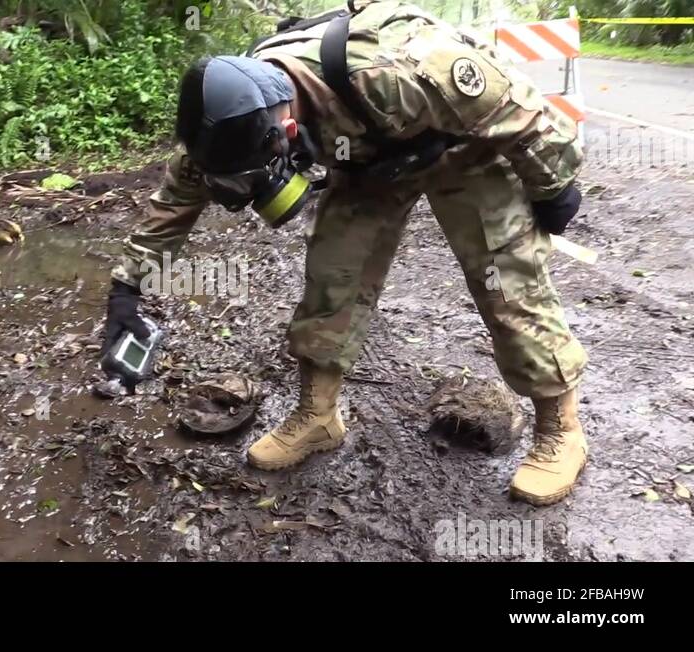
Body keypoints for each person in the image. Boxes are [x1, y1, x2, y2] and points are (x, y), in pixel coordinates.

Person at [102, 0, 588, 506]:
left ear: (285, 126)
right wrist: (125, 292)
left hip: (465, 150)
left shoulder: (397, 68)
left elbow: (520, 109)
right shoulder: (221, 125)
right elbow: (173, 205)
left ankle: (561, 431)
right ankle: (318, 416)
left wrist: (553, 186)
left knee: (506, 282)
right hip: (369, 163)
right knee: (332, 277)